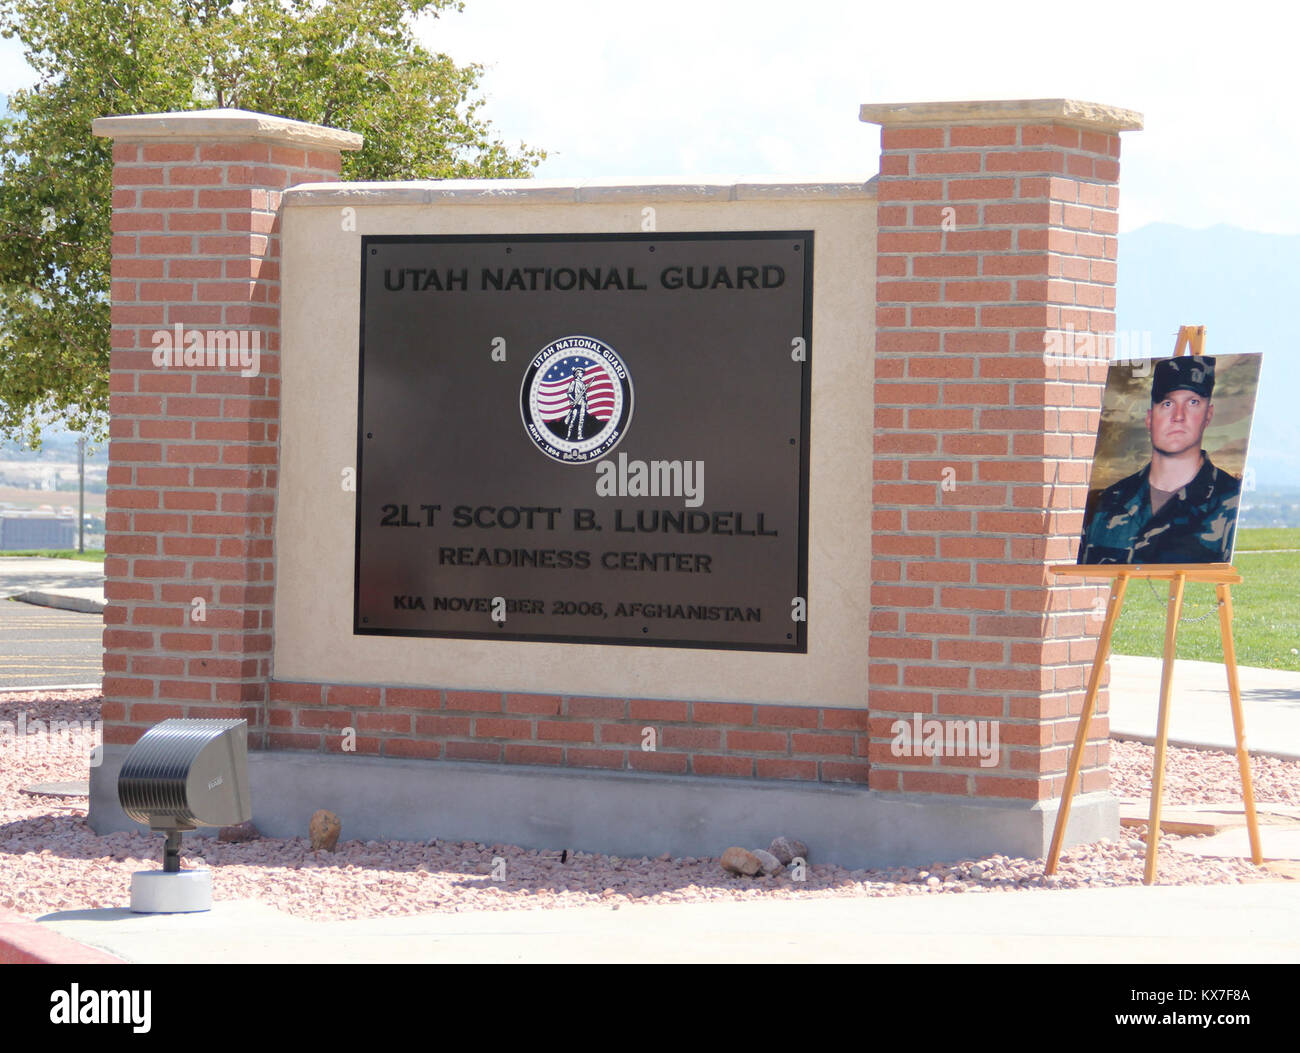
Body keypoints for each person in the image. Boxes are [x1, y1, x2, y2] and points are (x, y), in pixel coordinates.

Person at [1077, 356, 1240, 564]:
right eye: (1167, 403)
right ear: (1149, 418)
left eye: (1192, 402)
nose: (1178, 416)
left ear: (1208, 415)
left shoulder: (1229, 501)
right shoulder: (1106, 503)